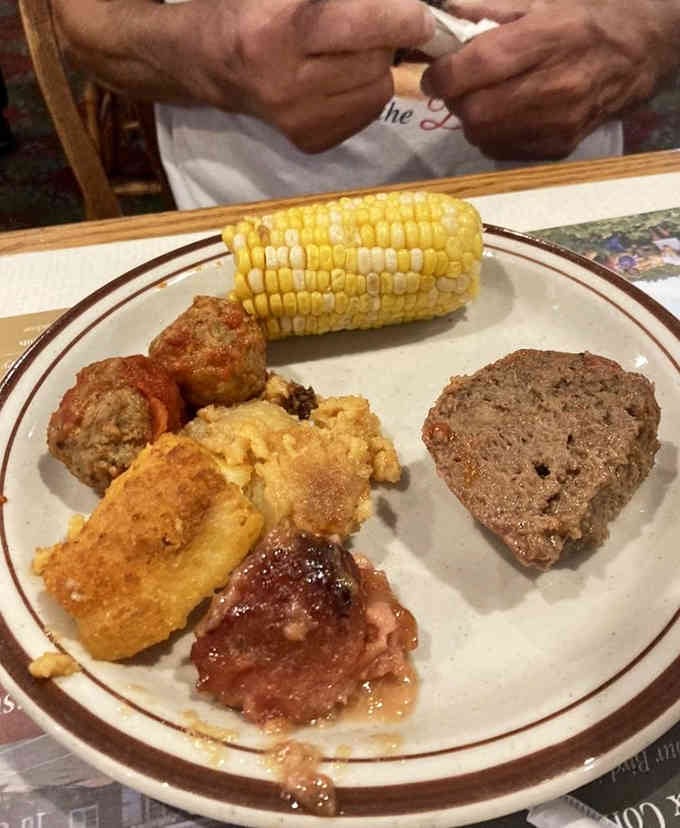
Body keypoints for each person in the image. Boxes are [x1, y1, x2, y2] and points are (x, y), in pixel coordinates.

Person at [52, 0, 680, 209]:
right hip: (251, 224)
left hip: (571, 204)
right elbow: (86, 17)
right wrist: (213, 54)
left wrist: (648, 33)